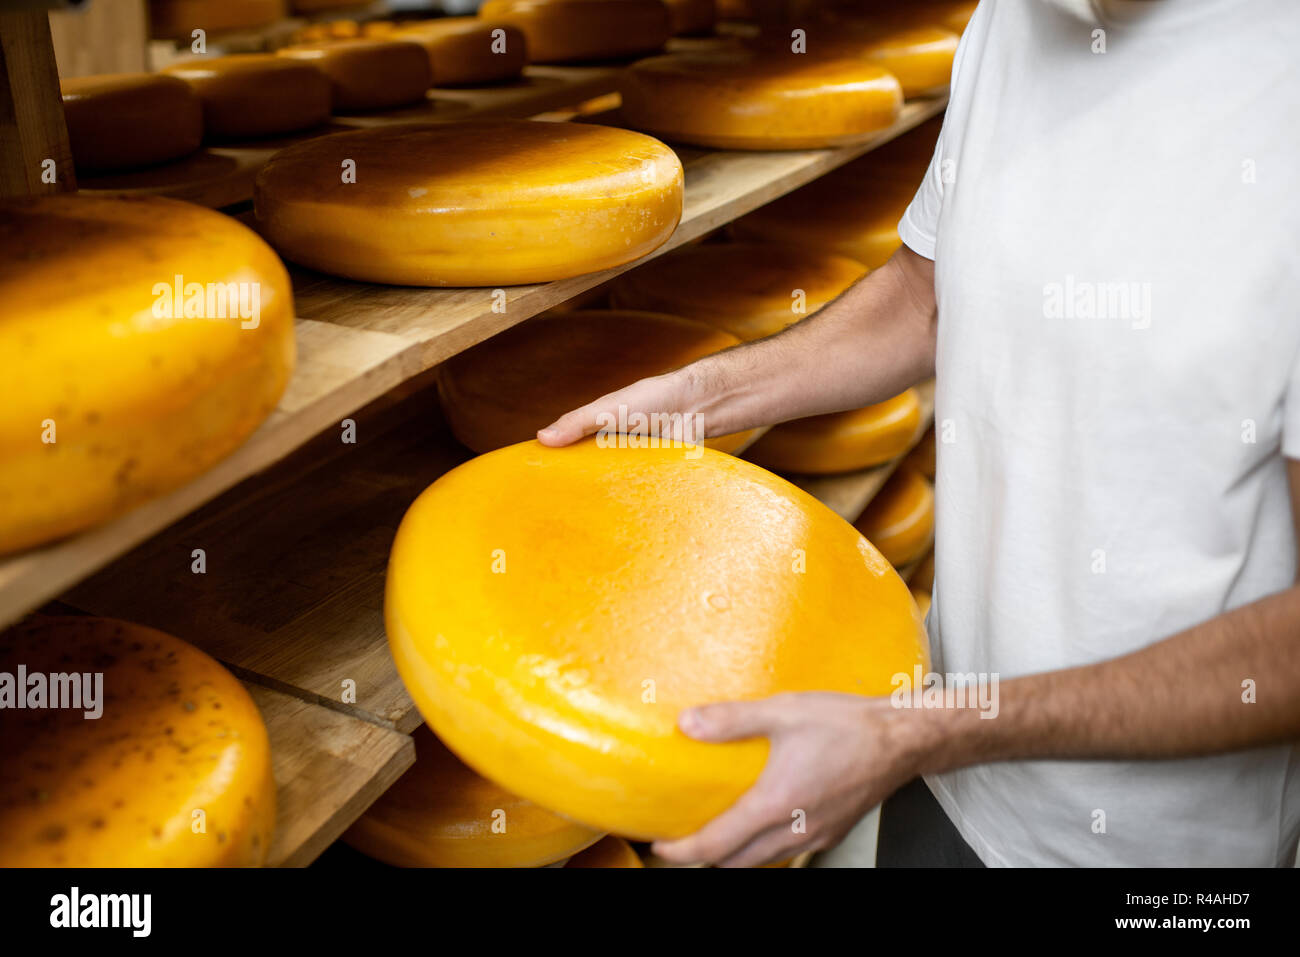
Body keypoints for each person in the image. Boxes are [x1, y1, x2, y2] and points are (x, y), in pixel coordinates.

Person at [537, 0, 1300, 867]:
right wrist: (698, 396)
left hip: (1157, 857)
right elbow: (925, 298)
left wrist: (921, 731)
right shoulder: (1011, 19)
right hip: (941, 781)